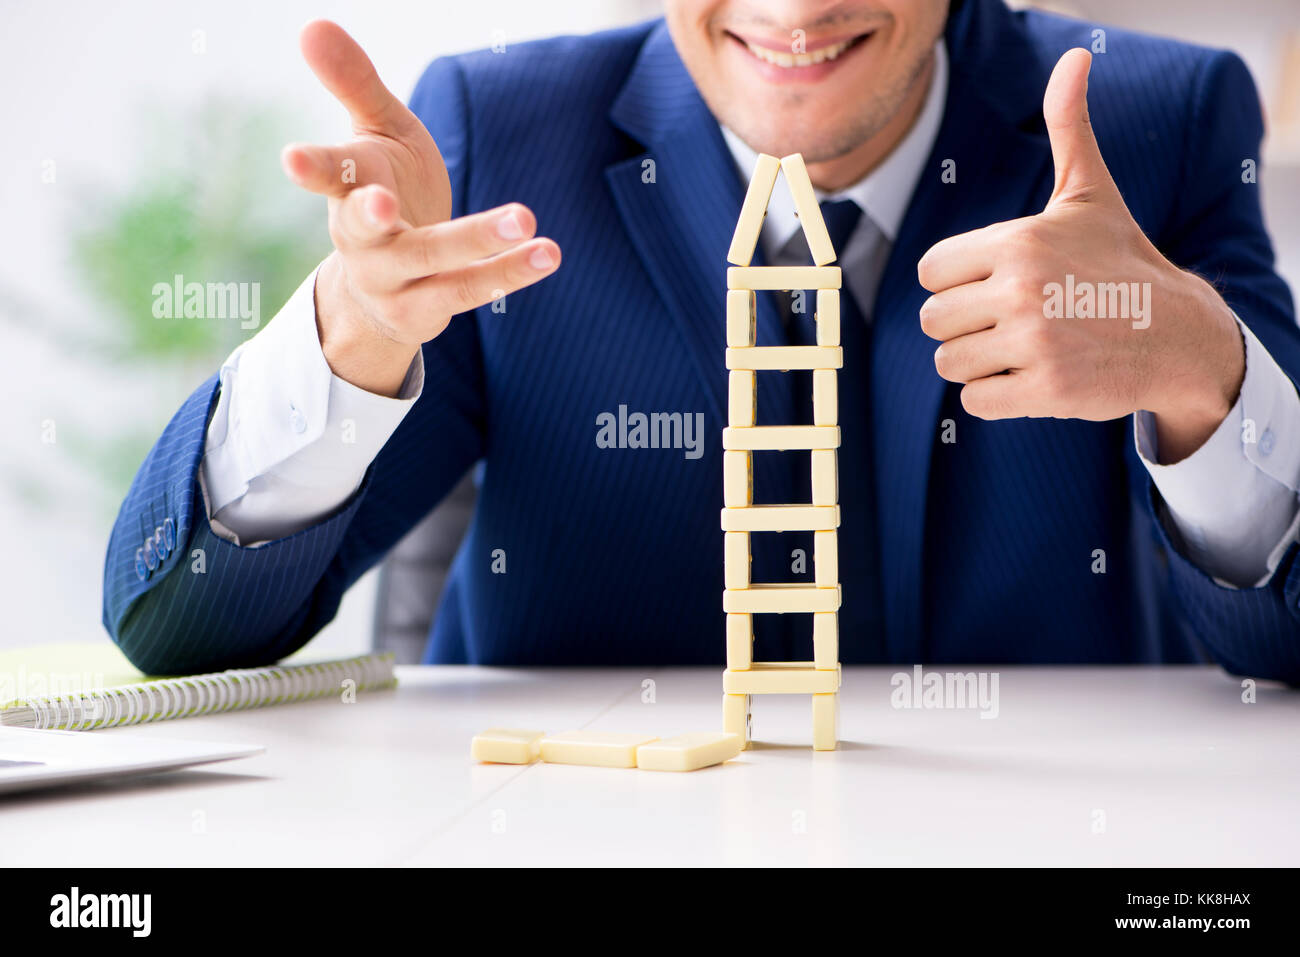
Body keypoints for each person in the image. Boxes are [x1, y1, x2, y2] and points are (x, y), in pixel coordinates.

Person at [104, 0, 1300, 680]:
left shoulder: (1160, 120)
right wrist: (344, 342)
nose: (792, 12)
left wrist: (1204, 364)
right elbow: (178, 631)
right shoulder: (498, 132)